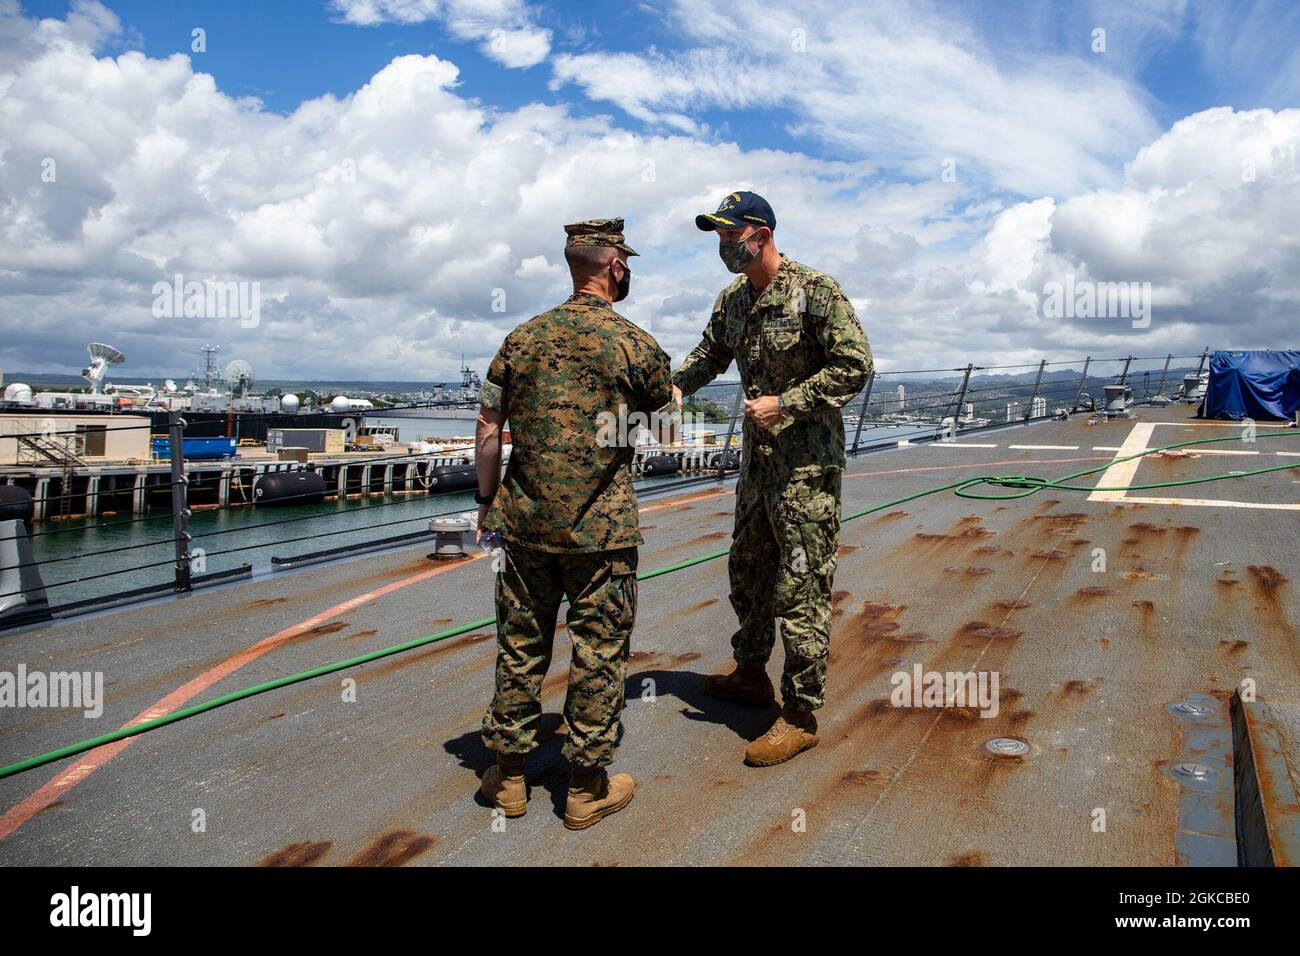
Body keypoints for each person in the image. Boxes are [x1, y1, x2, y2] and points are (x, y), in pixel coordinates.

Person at [475, 218, 674, 829]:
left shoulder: (521, 338)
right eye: (626, 263)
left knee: (521, 643)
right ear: (615, 266)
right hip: (602, 534)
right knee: (599, 650)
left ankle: (509, 777)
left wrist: (488, 502)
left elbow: (488, 430)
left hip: (526, 526)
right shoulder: (635, 344)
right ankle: (586, 787)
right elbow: (666, 431)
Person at [672, 191, 873, 766]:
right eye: (717, 237)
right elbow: (710, 353)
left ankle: (801, 712)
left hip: (807, 466)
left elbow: (855, 364)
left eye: (730, 236)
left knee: (801, 583)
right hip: (758, 467)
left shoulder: (816, 291)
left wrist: (787, 402)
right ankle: (751, 673)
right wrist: (675, 387)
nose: (723, 247)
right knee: (749, 567)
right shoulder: (733, 299)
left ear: (760, 233)